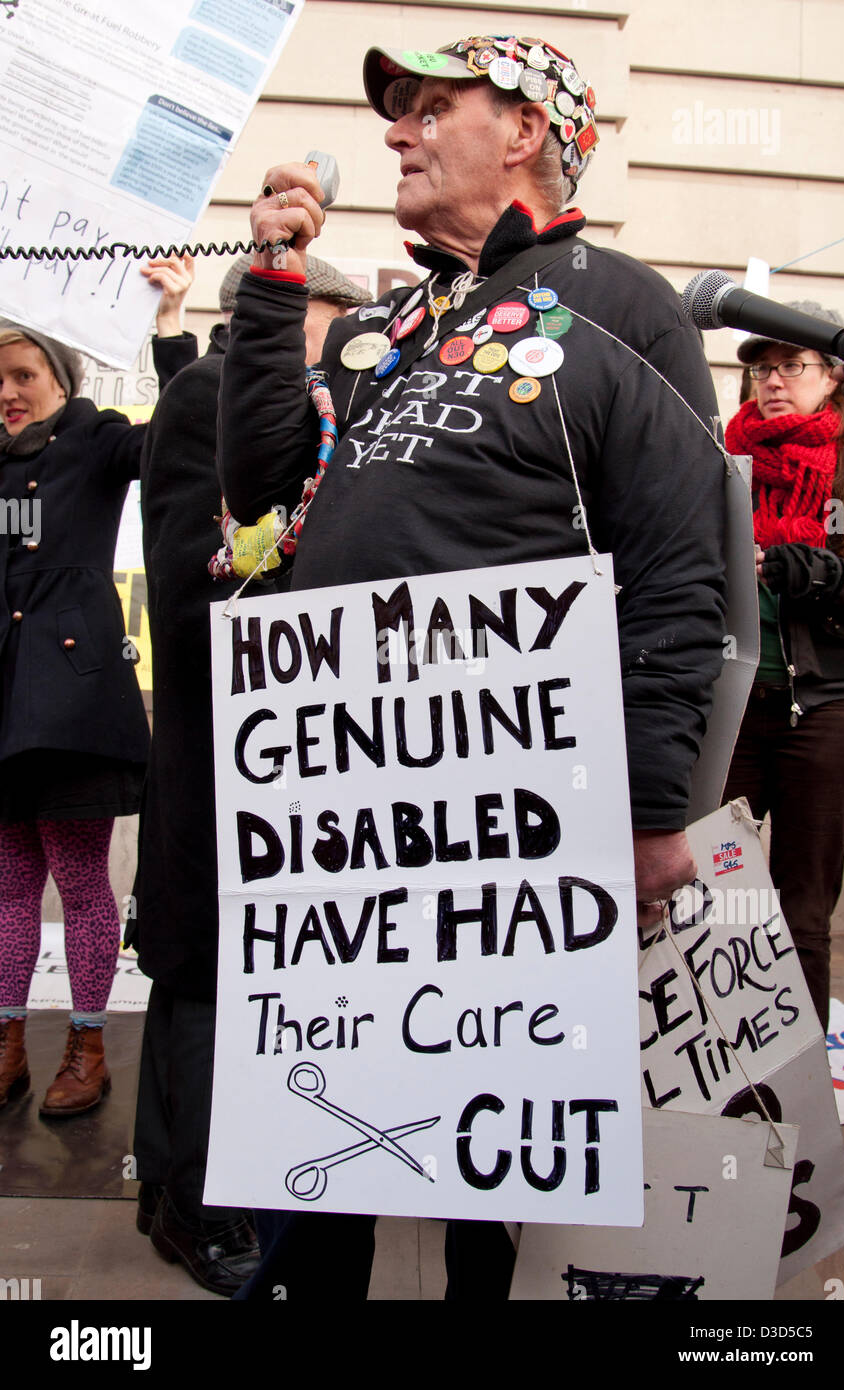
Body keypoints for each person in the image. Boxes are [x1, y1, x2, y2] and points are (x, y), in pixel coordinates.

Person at [216, 34, 728, 1299]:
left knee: (494, 1180)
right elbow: (260, 494)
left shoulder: (615, 301)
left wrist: (655, 806)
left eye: (430, 107)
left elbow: (679, 561)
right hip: (339, 809)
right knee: (322, 1136)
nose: (396, 130)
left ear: (527, 133)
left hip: (517, 816)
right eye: (393, 112)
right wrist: (273, 280)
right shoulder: (392, 321)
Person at [129, 253, 371, 1295]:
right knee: (207, 978)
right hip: (221, 750)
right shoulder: (205, 396)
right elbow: (198, 584)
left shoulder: (324, 410)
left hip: (289, 755)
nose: (353, 336)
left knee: (230, 977)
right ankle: (198, 1210)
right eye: (338, 315)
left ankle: (171, 1190)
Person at [0, 260, 196, 1115]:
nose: (7, 393)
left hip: (75, 702)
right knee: (8, 883)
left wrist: (172, 327)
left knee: (80, 881)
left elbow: (185, 438)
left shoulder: (95, 438)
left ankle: (87, 1044)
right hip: (4, 701)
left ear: (58, 377)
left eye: (22, 374)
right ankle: (6, 1040)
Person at [723, 309, 844, 1032]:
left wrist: (814, 573)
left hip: (830, 705)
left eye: (793, 365)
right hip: (736, 702)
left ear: (833, 375)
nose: (773, 381)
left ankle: (797, 1085)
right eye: (761, 367)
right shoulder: (726, 456)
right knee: (713, 892)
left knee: (801, 905)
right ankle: (713, 1066)